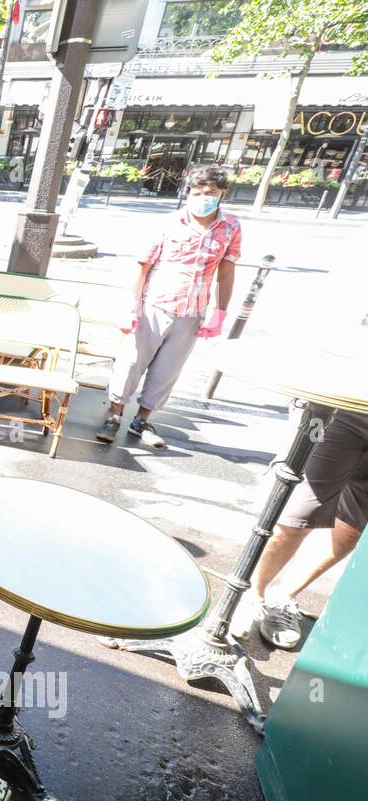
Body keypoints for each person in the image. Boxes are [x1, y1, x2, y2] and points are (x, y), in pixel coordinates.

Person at [97, 165, 242, 448]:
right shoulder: (169, 223)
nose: (203, 197)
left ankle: (143, 419)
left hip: (193, 311)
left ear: (222, 193)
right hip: (155, 304)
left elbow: (226, 272)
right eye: (196, 192)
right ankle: (114, 415)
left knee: (167, 370)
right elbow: (143, 266)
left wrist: (220, 313)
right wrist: (132, 306)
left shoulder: (231, 228)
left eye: (210, 192)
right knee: (131, 363)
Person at [232, 408, 368, 648]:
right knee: (297, 519)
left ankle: (283, 597)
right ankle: (251, 594)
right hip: (346, 409)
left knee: (349, 532)